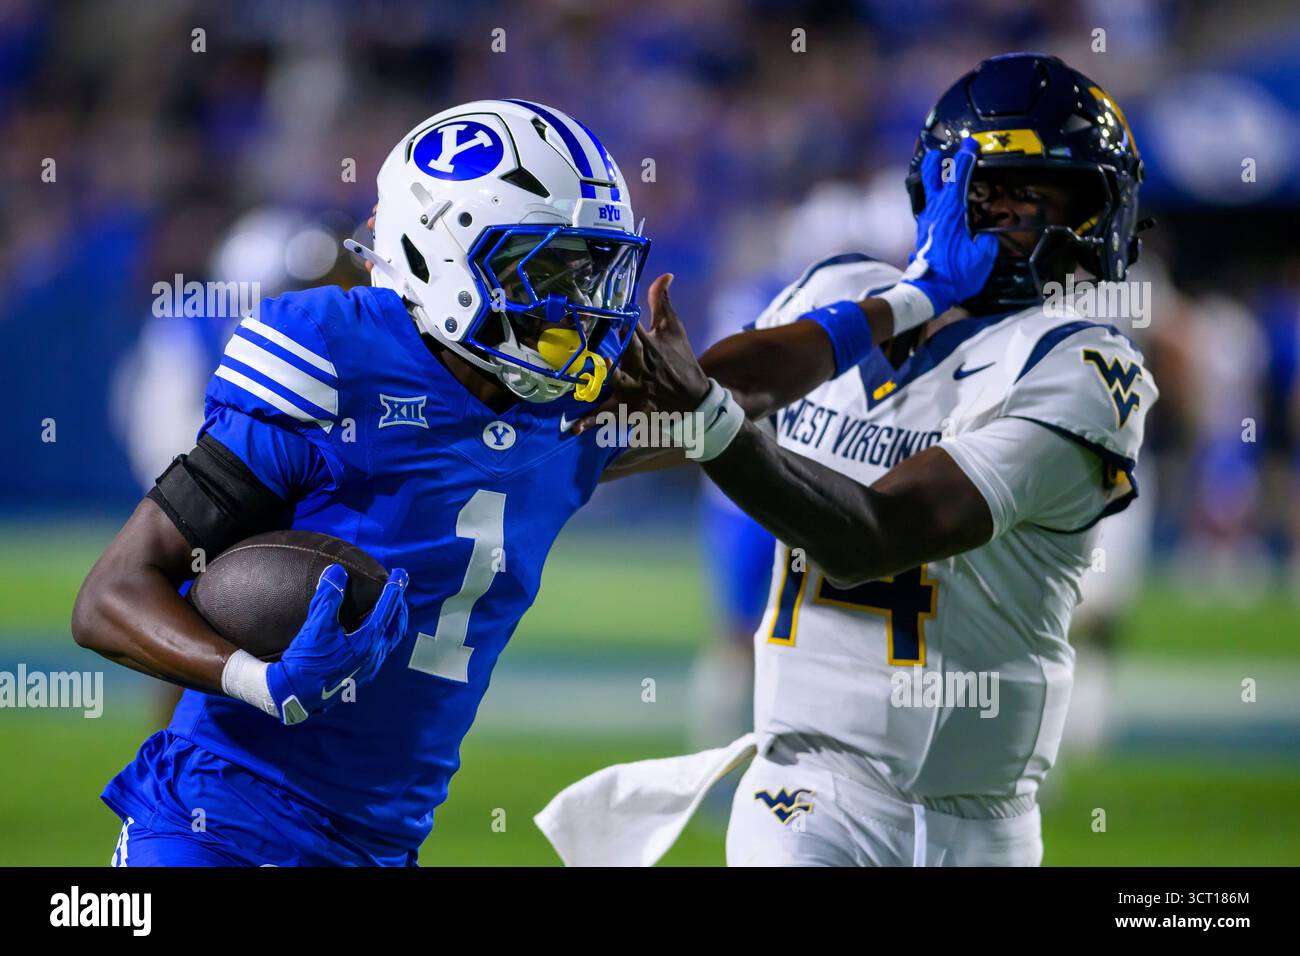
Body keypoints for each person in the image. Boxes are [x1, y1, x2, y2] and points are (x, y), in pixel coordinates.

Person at [539, 53, 1158, 867]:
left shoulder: (1084, 368)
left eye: (1065, 198)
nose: (1062, 223)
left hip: (987, 828)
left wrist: (708, 422)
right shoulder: (842, 291)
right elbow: (658, 415)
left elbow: (876, 534)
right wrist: (910, 298)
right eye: (1028, 193)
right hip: (807, 799)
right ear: (946, 190)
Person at [72, 99, 652, 866]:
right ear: (443, 256)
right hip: (220, 823)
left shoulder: (572, 413)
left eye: (588, 266)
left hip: (380, 848)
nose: (576, 301)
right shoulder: (335, 363)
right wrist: (257, 678)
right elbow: (109, 596)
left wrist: (861, 321)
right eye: (546, 266)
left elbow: (734, 399)